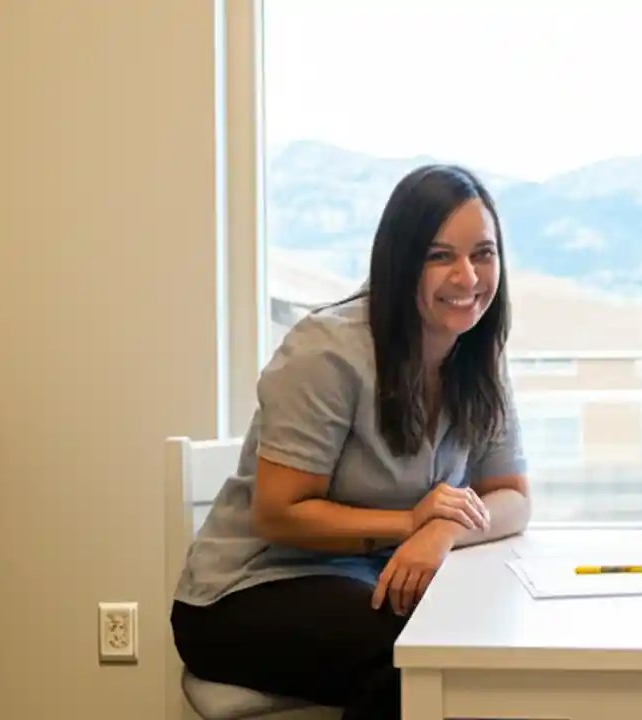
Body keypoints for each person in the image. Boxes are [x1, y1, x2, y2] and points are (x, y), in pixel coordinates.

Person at [170, 164, 532, 720]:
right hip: (245, 593)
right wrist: (411, 523)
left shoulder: (479, 354)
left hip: (369, 579)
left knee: (474, 640)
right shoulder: (328, 351)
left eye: (483, 254)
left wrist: (443, 530)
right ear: (400, 262)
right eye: (441, 256)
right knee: (413, 658)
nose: (468, 277)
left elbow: (512, 496)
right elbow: (278, 514)